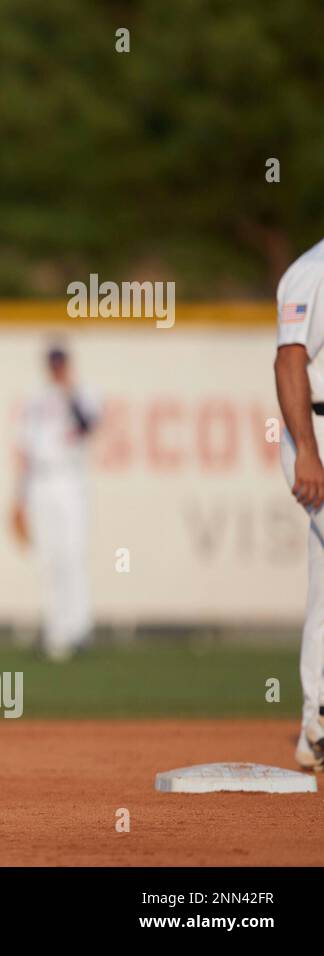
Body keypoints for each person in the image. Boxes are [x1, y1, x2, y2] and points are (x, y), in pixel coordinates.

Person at [273, 238, 324, 771]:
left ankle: (316, 726)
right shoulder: (313, 270)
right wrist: (307, 453)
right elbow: (289, 361)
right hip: (319, 433)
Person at [12, 345, 98, 662]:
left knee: (72, 553)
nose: (56, 369)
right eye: (53, 364)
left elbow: (88, 426)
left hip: (70, 479)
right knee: (48, 558)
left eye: (61, 364)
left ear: (68, 365)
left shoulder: (83, 393)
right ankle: (56, 630)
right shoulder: (35, 398)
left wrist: (69, 392)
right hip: (40, 482)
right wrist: (19, 497)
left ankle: (79, 629)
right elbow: (24, 448)